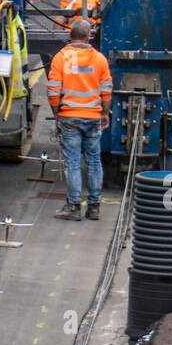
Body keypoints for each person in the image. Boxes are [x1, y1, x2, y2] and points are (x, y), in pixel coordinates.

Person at [46, 18, 112, 221]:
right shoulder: (99, 59)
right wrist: (104, 112)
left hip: (69, 117)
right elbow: (106, 90)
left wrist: (57, 113)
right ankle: (94, 207)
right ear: (89, 36)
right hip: (92, 117)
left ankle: (73, 207)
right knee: (94, 161)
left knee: (73, 162)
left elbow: (53, 91)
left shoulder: (61, 58)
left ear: (70, 35)